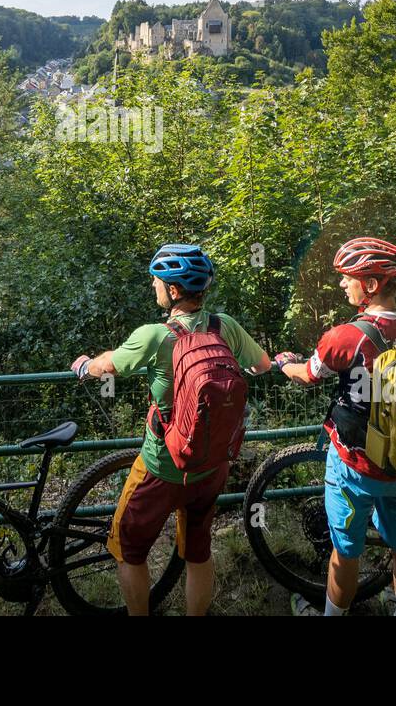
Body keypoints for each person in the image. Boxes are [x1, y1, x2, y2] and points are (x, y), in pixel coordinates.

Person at [70, 244, 272, 615]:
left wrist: (85, 365)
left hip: (162, 466)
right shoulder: (225, 327)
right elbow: (261, 365)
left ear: (174, 291)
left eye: (157, 280)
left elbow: (108, 366)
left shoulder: (154, 336)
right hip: (211, 466)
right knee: (198, 552)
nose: (153, 285)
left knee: (129, 550)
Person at [275, 236, 396, 617]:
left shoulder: (345, 336)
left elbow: (308, 374)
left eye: (347, 277)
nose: (341, 284)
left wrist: (284, 362)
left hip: (356, 464)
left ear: (369, 285)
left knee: (345, 553)